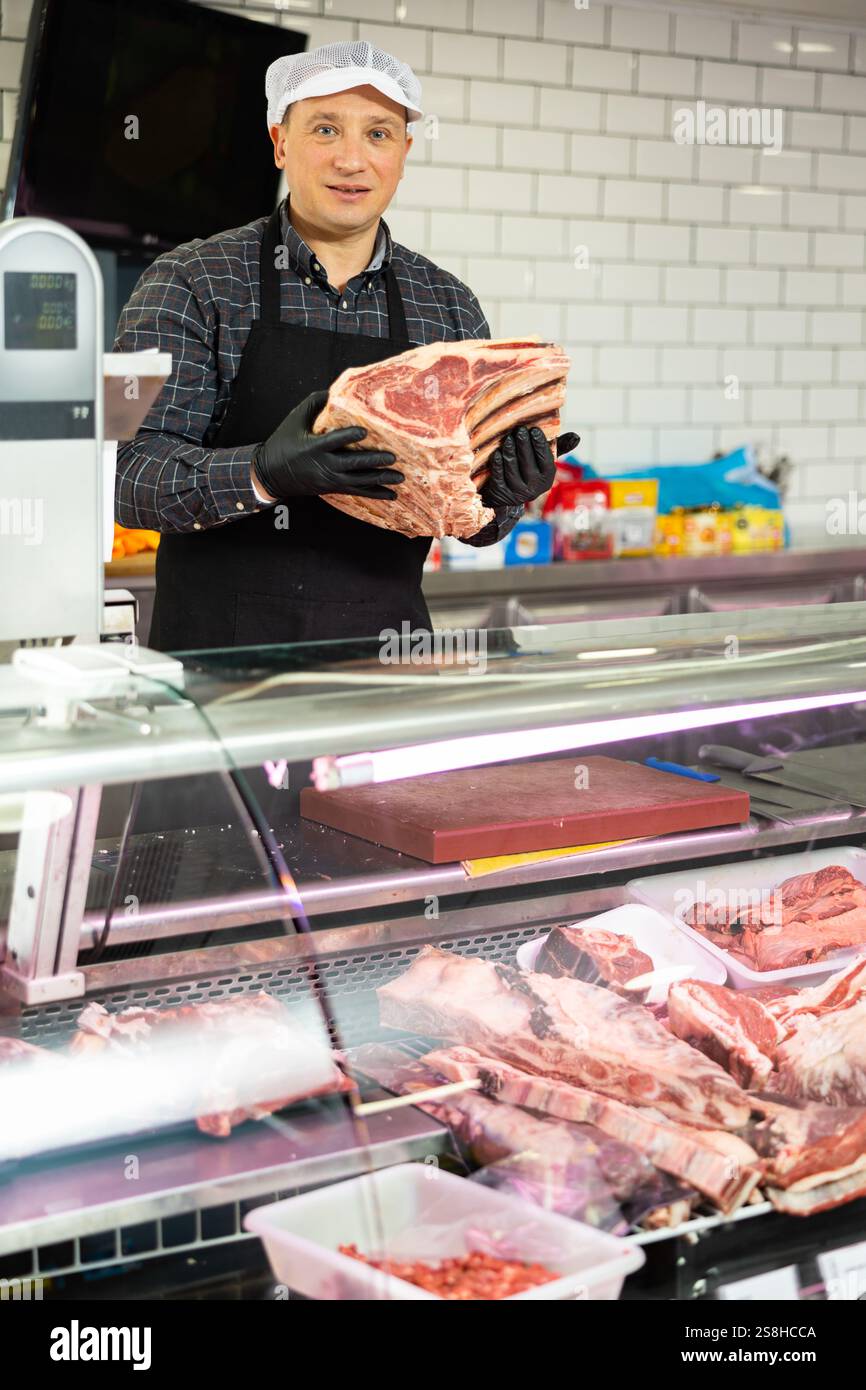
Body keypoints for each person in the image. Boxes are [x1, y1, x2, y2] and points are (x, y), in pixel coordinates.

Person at [115, 42, 575, 651]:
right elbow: (124, 477)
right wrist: (262, 473)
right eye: (325, 129)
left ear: (404, 153)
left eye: (379, 134)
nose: (352, 159)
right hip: (218, 668)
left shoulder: (449, 305)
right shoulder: (189, 280)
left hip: (387, 669)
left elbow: (468, 521)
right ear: (280, 141)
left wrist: (505, 497)